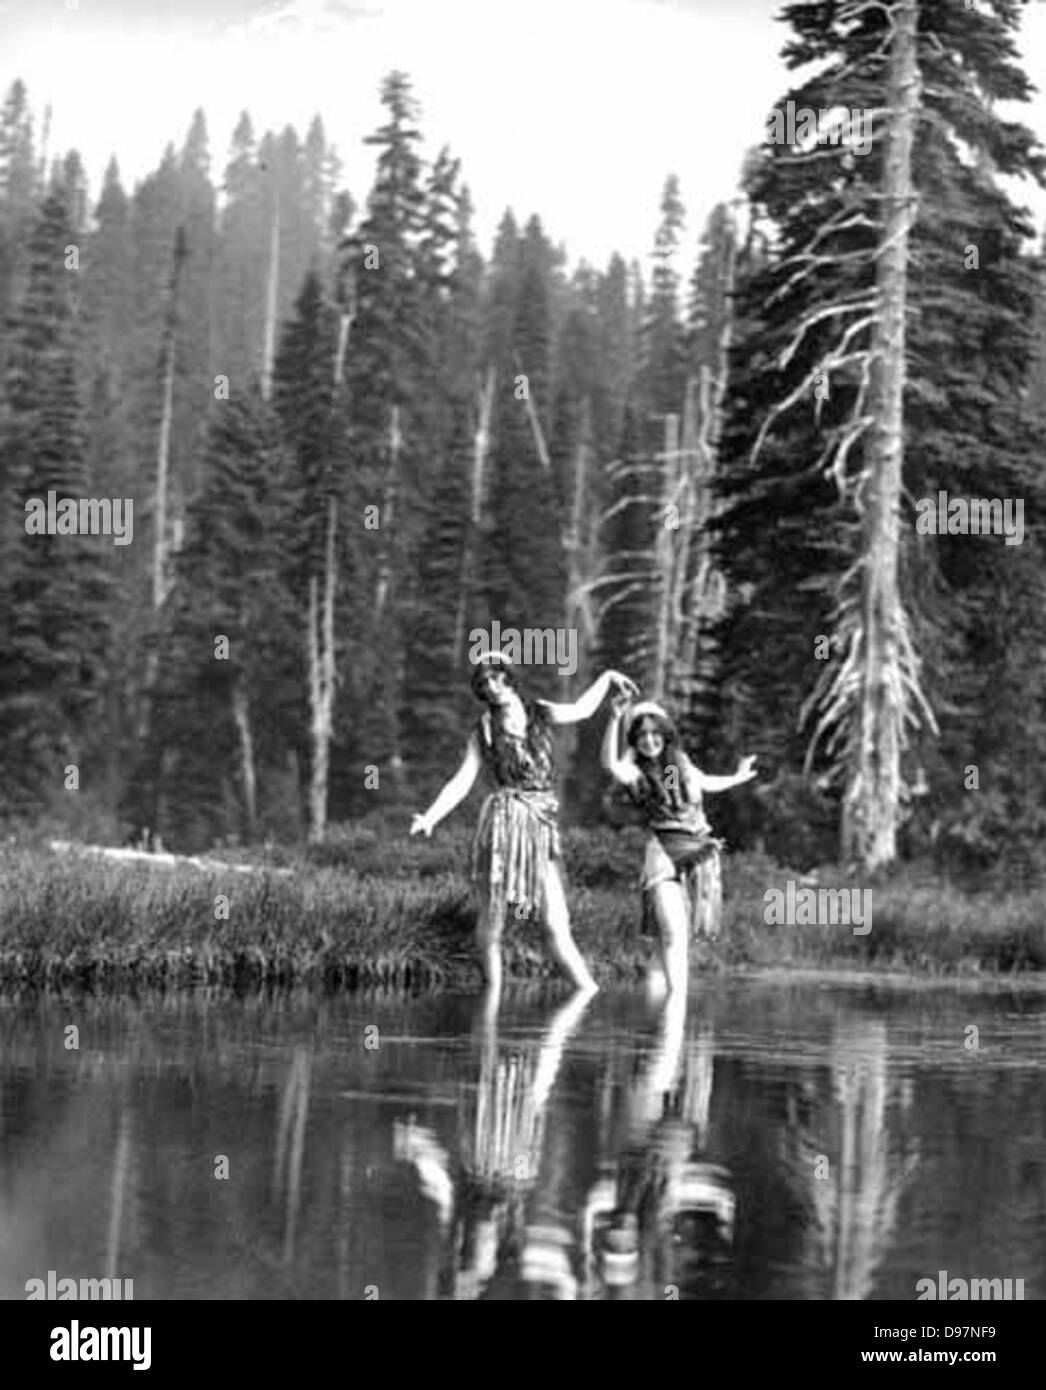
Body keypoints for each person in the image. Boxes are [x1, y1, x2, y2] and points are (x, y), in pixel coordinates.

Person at [410, 651, 637, 999]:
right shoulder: (483, 730)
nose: (492, 686)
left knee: (555, 922)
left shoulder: (540, 710)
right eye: (485, 682)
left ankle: (588, 993)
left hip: (540, 821)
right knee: (494, 918)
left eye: (497, 677)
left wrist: (607, 677)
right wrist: (430, 817)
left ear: (509, 677)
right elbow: (461, 780)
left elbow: (581, 709)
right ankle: (492, 1001)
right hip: (504, 822)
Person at [601, 697, 757, 994]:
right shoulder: (635, 771)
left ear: (665, 732)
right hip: (663, 855)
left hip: (699, 855)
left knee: (667, 944)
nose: (649, 740)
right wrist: (615, 719)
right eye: (641, 735)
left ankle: (662, 1028)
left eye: (654, 732)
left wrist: (738, 776)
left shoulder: (681, 762)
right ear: (634, 740)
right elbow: (610, 764)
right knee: (674, 935)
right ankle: (676, 1010)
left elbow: (707, 783)